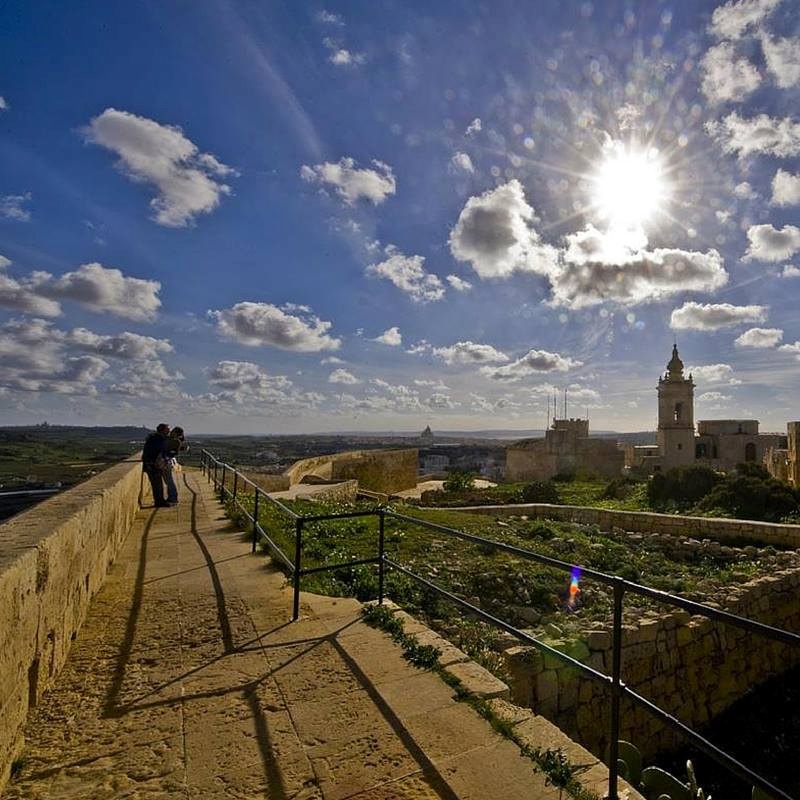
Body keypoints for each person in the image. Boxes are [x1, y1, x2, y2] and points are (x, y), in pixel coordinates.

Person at [142, 423, 170, 508]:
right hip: (152, 465)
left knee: (158, 484)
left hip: (151, 464)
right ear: (163, 430)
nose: (169, 430)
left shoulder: (154, 438)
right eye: (167, 429)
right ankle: (159, 502)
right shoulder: (157, 439)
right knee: (157, 484)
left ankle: (160, 501)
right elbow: (159, 450)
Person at [163, 426, 187, 505]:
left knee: (169, 481)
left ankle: (173, 498)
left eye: (173, 431)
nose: (171, 432)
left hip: (167, 461)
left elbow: (170, 450)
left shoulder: (175, 441)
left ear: (176, 433)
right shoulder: (174, 440)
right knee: (168, 481)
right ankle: (171, 498)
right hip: (167, 461)